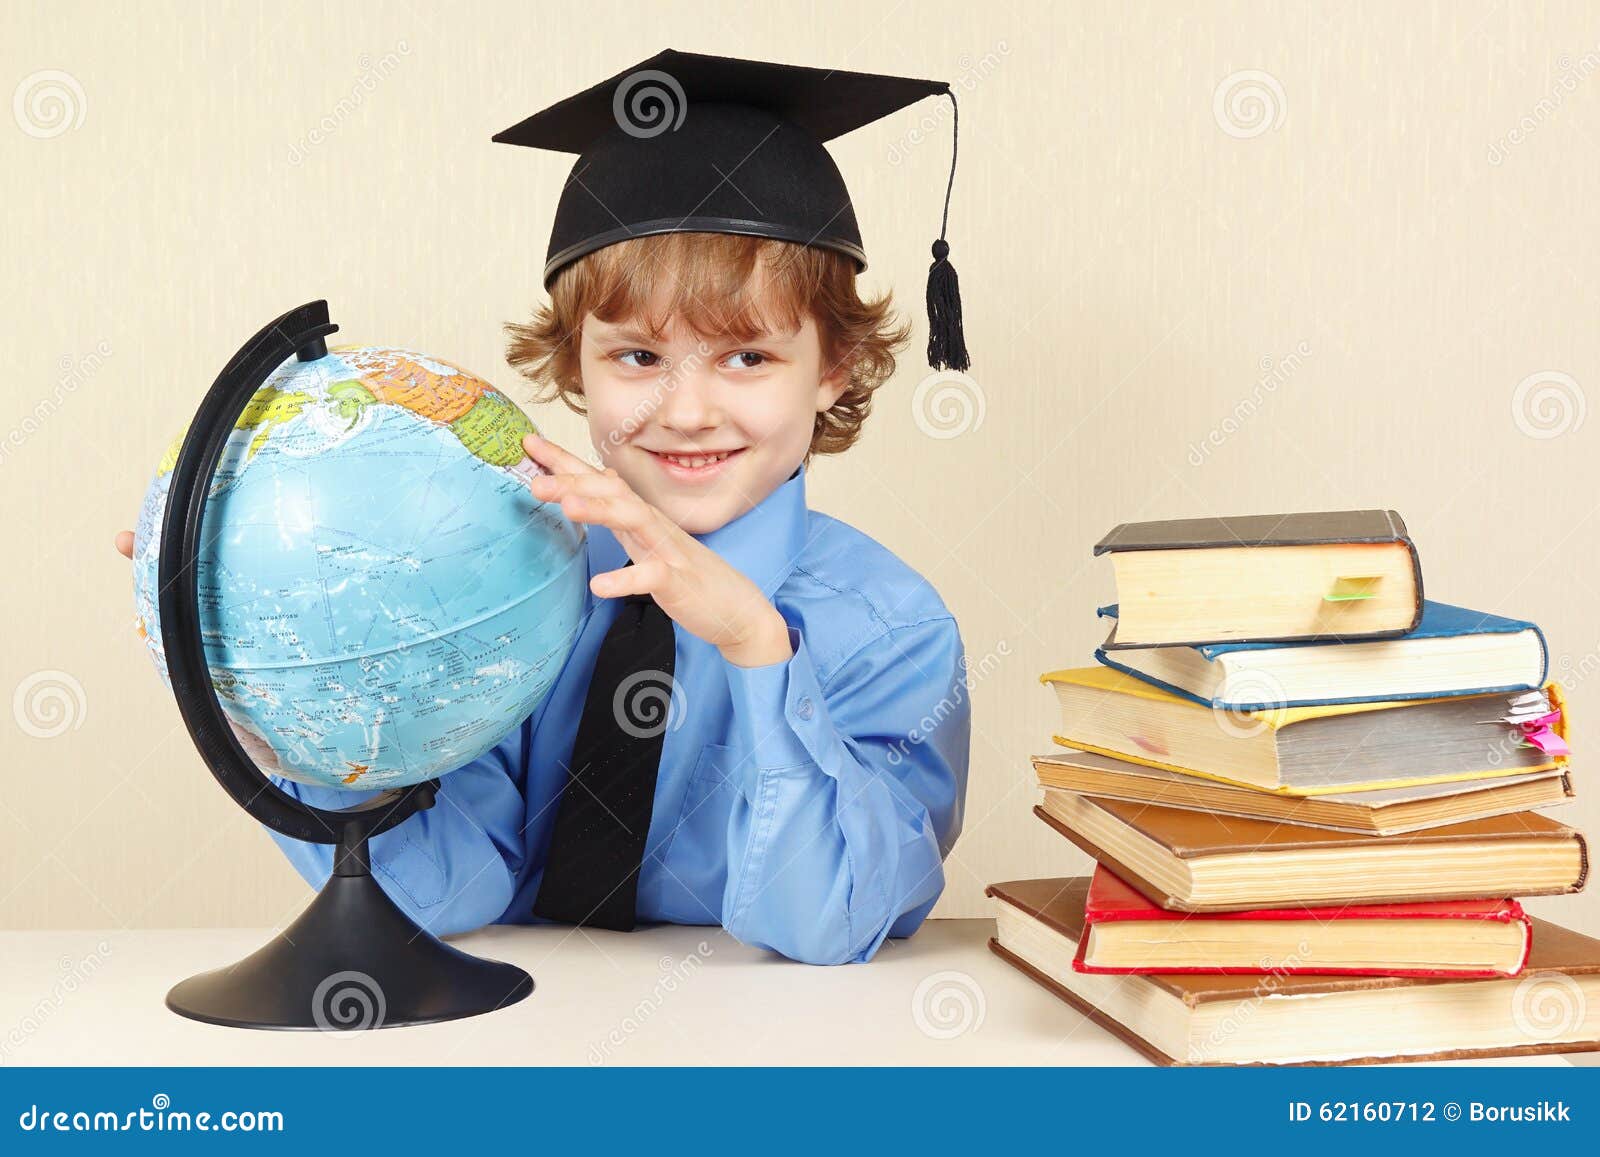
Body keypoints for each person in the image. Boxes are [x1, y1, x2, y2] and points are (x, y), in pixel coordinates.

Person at [115, 50, 973, 965]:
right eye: (637, 357)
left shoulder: (896, 633)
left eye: (747, 357)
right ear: (575, 366)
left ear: (833, 367)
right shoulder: (483, 576)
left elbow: (827, 924)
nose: (685, 410)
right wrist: (301, 721)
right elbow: (448, 892)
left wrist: (757, 647)